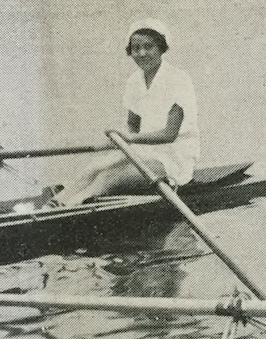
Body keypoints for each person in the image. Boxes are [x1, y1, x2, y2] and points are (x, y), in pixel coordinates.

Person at [43, 19, 199, 209]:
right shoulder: (134, 81)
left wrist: (129, 138)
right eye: (136, 48)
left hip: (174, 157)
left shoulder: (179, 79)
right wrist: (119, 139)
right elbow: (133, 125)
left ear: (161, 48)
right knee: (95, 167)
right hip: (144, 150)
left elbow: (169, 134)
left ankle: (72, 205)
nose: (141, 53)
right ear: (130, 51)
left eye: (148, 47)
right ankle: (56, 203)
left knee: (108, 176)